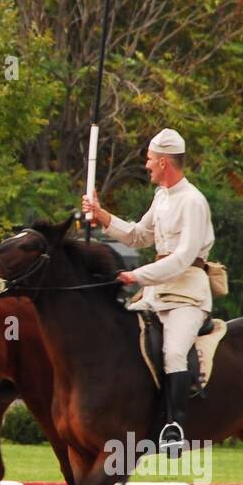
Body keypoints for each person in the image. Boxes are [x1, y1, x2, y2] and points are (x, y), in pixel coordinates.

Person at [83, 127, 215, 458]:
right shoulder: (162, 197)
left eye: (150, 160)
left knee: (172, 352)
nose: (146, 166)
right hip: (156, 293)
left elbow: (184, 258)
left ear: (165, 162)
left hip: (187, 295)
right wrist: (102, 216)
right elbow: (140, 236)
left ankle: (174, 426)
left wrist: (137, 275)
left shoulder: (193, 201)